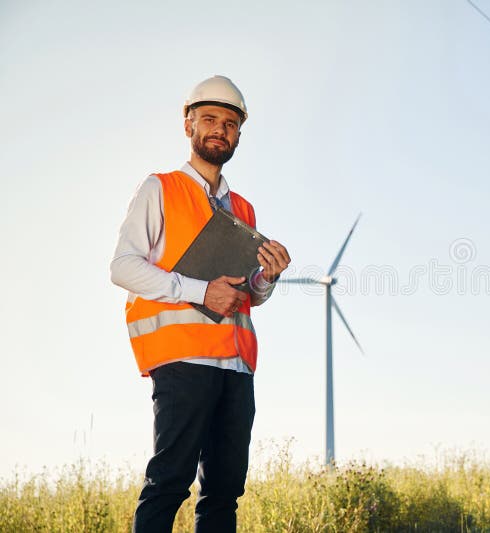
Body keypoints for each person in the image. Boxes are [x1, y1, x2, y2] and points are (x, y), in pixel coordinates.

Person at [110, 75, 290, 533]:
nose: (219, 129)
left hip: (236, 368)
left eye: (229, 124)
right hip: (183, 359)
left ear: (237, 136)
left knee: (224, 493)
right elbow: (123, 267)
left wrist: (266, 279)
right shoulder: (160, 188)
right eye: (209, 119)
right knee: (169, 482)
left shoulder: (244, 210)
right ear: (188, 125)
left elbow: (247, 295)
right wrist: (198, 291)